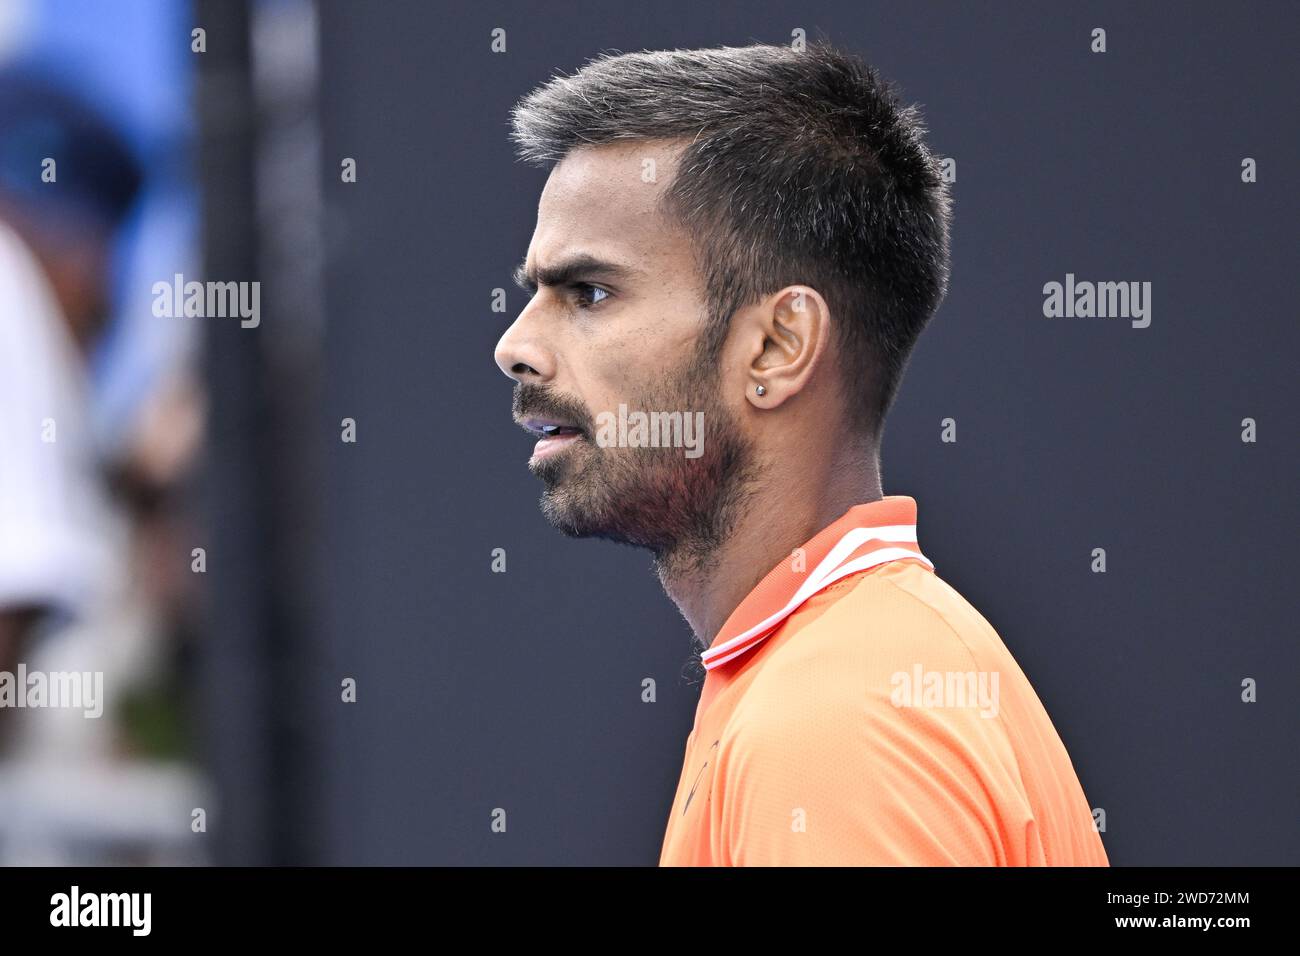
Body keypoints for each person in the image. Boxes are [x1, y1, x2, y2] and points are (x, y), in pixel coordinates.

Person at [494, 43, 1108, 866]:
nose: (515, 346)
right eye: (533, 291)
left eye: (590, 292)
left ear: (778, 346)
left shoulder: (841, 719)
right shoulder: (844, 672)